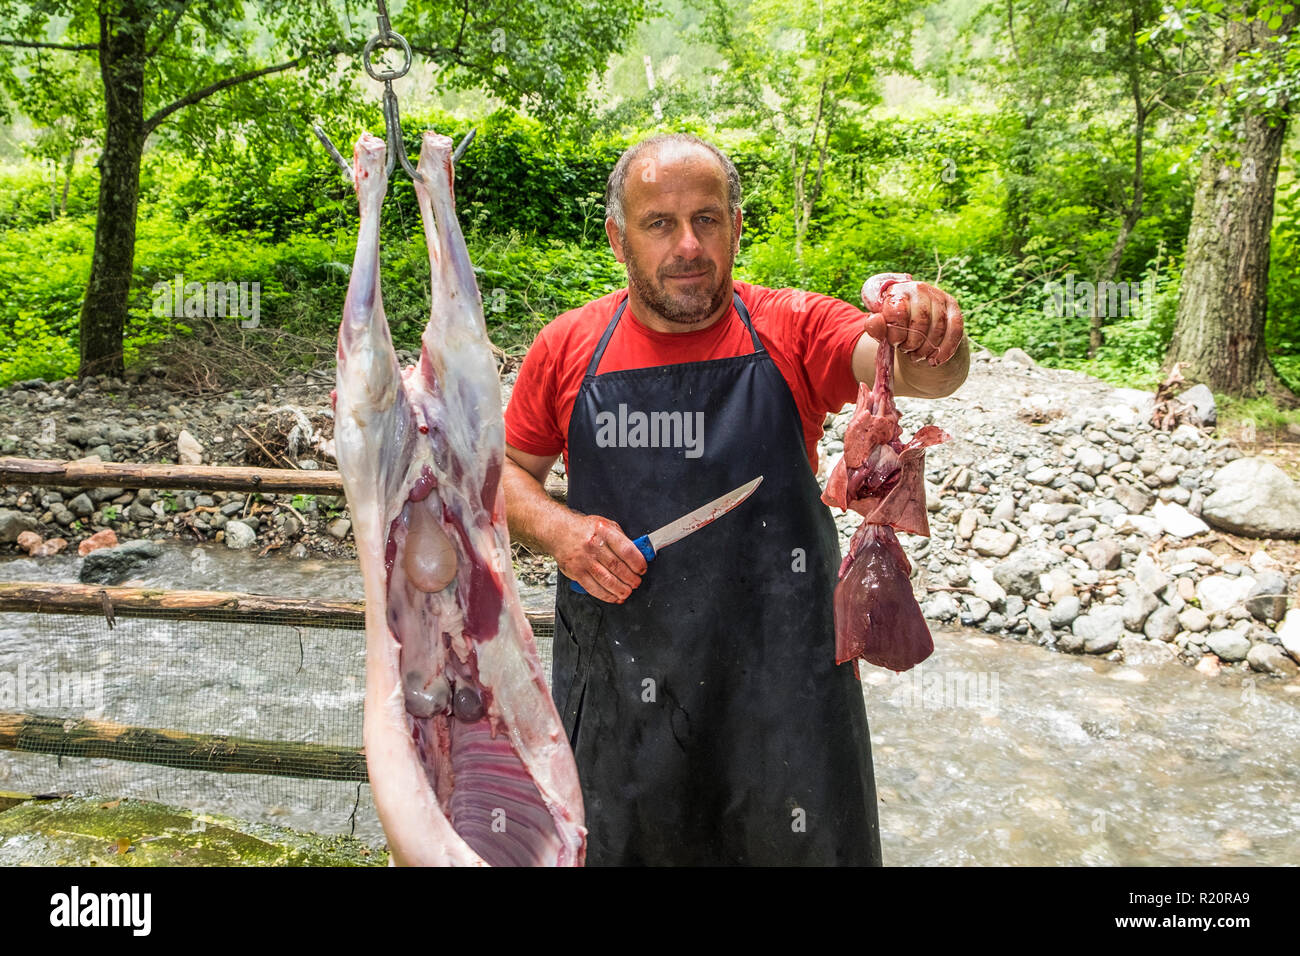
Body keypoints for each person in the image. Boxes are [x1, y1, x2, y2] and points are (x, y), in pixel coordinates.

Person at [502, 132, 969, 865]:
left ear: (737, 227)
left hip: (785, 693)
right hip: (623, 700)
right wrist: (562, 531)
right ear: (618, 240)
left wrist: (938, 333)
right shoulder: (566, 347)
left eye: (708, 219)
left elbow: (917, 375)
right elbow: (503, 474)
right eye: (660, 223)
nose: (688, 244)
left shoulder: (793, 325)